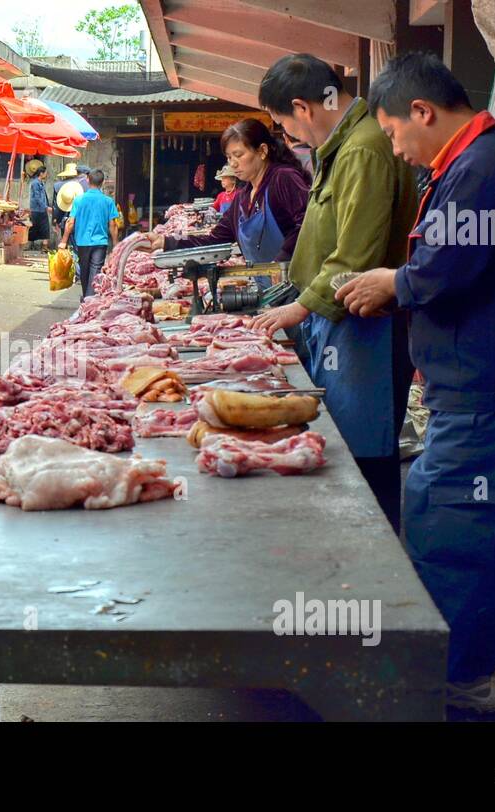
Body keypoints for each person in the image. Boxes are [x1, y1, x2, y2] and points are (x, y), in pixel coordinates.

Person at [336, 53, 495, 714]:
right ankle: (463, 676)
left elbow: (444, 272)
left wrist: (389, 282)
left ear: (423, 113)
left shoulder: (485, 169)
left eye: (397, 134)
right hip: (480, 388)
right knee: (460, 530)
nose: (398, 151)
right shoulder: (470, 165)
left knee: (452, 536)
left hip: (488, 393)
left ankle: (456, 685)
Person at [247, 54, 419, 534]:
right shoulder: (343, 145)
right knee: (344, 448)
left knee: (363, 458)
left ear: (302, 108)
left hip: (366, 328)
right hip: (341, 321)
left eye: (284, 124)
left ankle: (379, 573)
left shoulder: (363, 148)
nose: (290, 137)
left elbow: (354, 259)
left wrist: (297, 309)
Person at [139, 119, 309, 264]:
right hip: (267, 290)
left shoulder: (283, 178)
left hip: (295, 287)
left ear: (262, 151)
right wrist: (165, 242)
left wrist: (282, 261)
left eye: (239, 155)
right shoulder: (242, 199)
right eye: (229, 157)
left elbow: (307, 223)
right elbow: (214, 239)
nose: (233, 164)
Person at [59, 168, 120, 297]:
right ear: (102, 183)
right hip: (100, 243)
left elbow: (70, 222)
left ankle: (87, 299)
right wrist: (115, 244)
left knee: (85, 273)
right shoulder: (108, 201)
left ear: (87, 180)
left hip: (82, 242)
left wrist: (64, 241)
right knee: (95, 272)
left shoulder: (79, 200)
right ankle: (88, 300)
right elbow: (113, 225)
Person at [27, 164, 52, 250]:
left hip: (41, 209)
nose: (46, 174)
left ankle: (44, 246)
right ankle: (29, 244)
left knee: (45, 228)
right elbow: (37, 198)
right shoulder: (35, 183)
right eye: (45, 173)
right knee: (34, 227)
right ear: (41, 173)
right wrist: (46, 207)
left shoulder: (41, 183)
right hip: (36, 210)